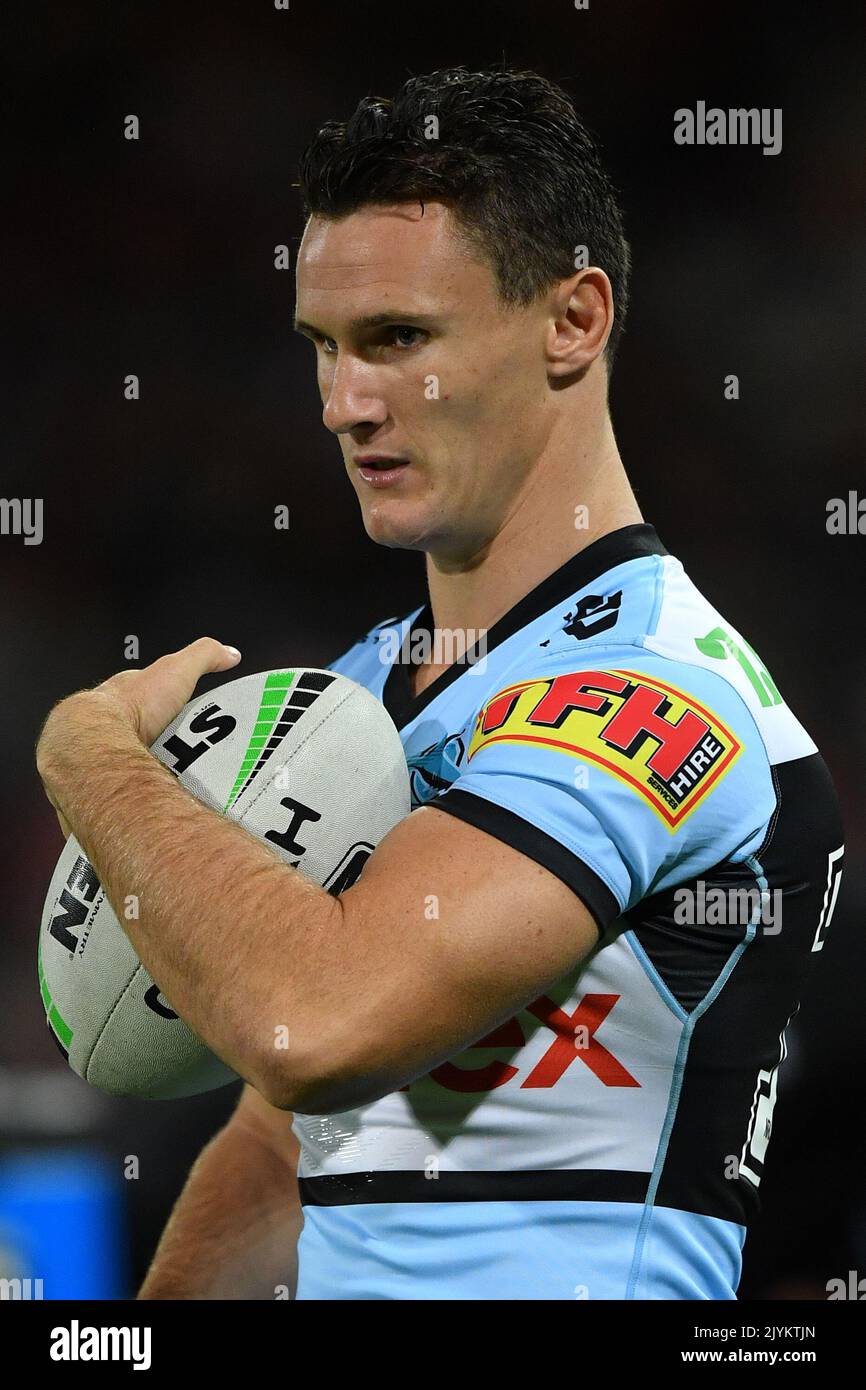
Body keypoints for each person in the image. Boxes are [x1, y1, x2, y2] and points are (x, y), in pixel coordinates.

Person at [36, 66, 844, 1300]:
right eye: (324, 347)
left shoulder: (648, 692)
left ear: (573, 320)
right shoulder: (357, 698)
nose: (344, 403)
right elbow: (274, 1141)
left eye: (397, 340)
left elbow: (313, 1029)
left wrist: (87, 757)